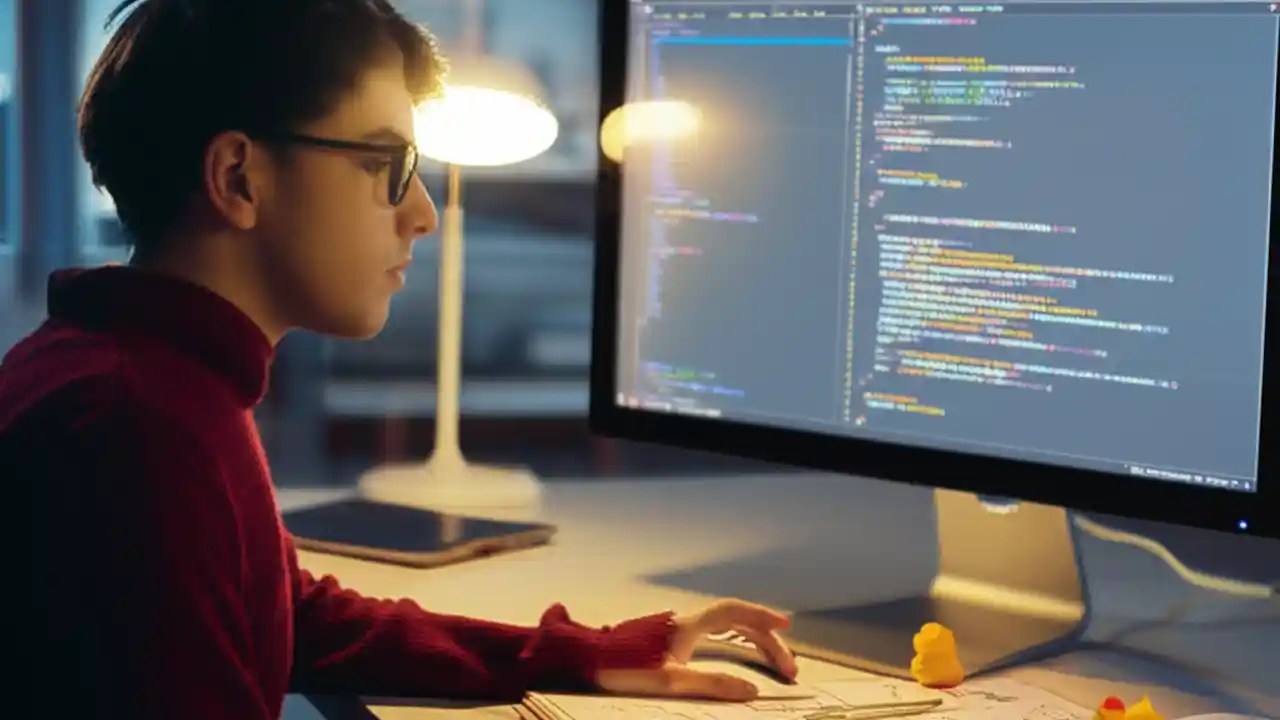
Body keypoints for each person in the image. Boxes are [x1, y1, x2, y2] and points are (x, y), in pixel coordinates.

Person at [4, 1, 798, 718]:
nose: (421, 214)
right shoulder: (133, 432)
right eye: (388, 167)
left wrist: (587, 654)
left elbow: (289, 613)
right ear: (237, 176)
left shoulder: (148, 379)